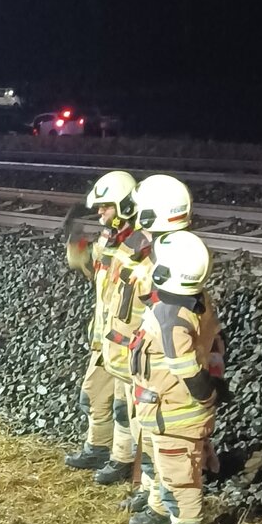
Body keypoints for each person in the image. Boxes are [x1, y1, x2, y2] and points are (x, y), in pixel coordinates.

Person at [129, 230, 222, 524]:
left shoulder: (171, 318)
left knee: (181, 488)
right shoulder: (194, 301)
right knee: (175, 483)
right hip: (173, 415)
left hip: (174, 419)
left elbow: (190, 375)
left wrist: (207, 398)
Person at [95, 173, 193, 488]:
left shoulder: (168, 257)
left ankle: (154, 493)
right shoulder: (139, 244)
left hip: (148, 360)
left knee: (151, 429)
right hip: (131, 353)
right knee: (130, 416)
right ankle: (142, 483)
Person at [63, 170, 138, 472]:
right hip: (105, 338)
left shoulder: (139, 245)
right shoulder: (111, 238)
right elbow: (91, 266)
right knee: (93, 395)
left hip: (125, 341)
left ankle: (122, 460)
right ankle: (97, 448)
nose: (100, 212)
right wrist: (75, 240)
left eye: (106, 206)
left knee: (122, 406)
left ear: (124, 206)